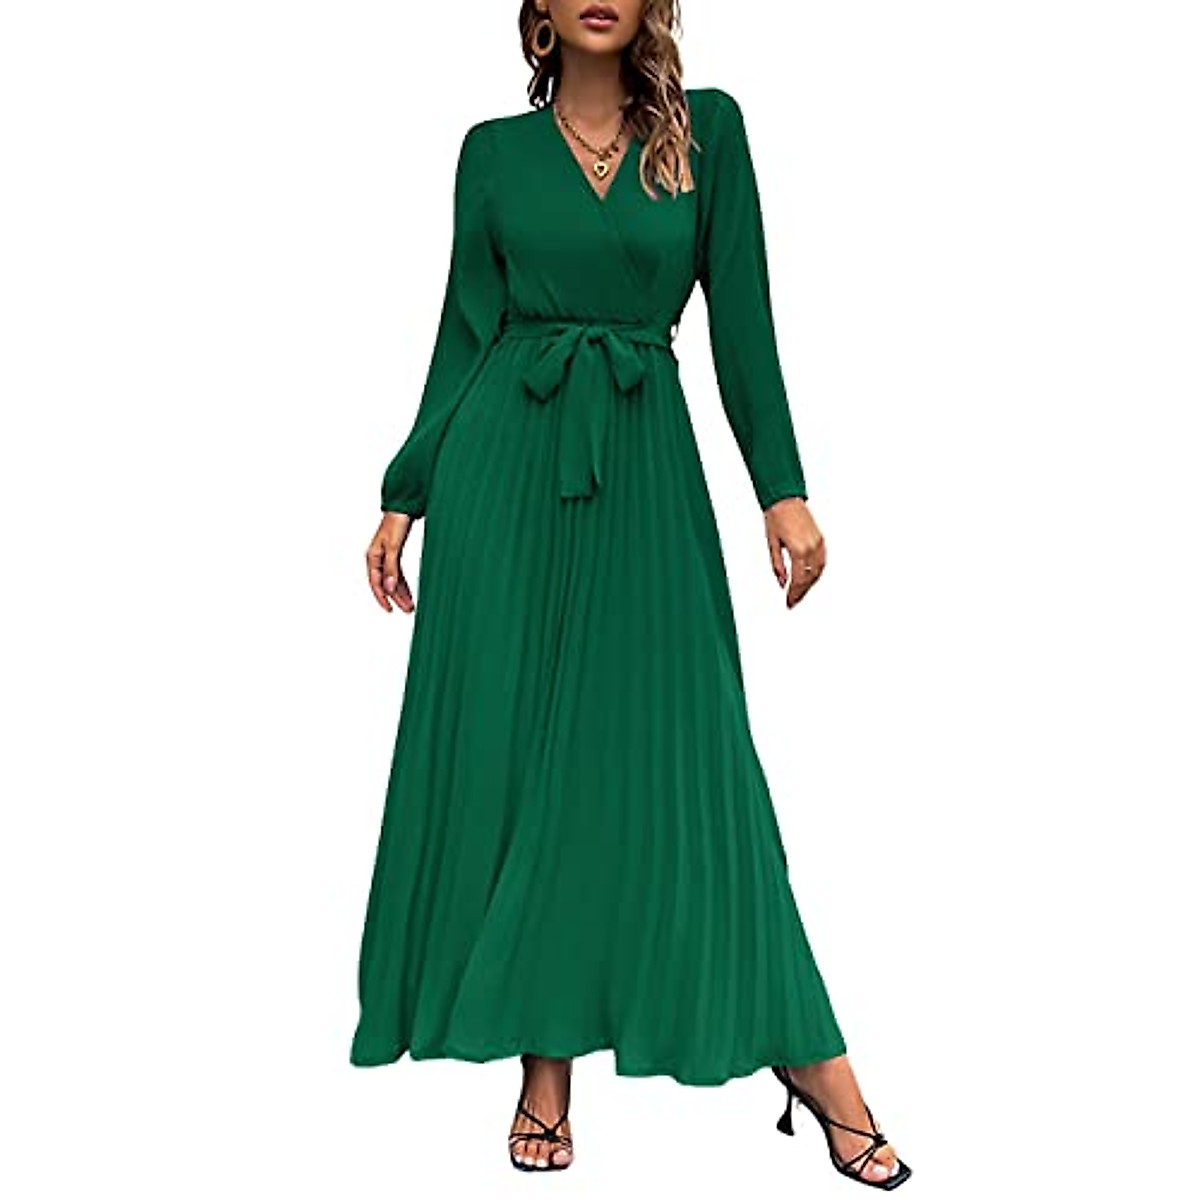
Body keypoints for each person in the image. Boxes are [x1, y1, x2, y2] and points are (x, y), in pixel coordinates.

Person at [353, 1, 911, 1188]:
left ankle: (812, 1058)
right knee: (522, 765)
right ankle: (543, 1073)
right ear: (538, 16)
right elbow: (464, 329)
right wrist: (408, 491)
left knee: (691, 760)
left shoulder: (707, 134)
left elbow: (743, 320)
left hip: (647, 468)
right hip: (503, 476)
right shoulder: (491, 154)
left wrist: (783, 488)